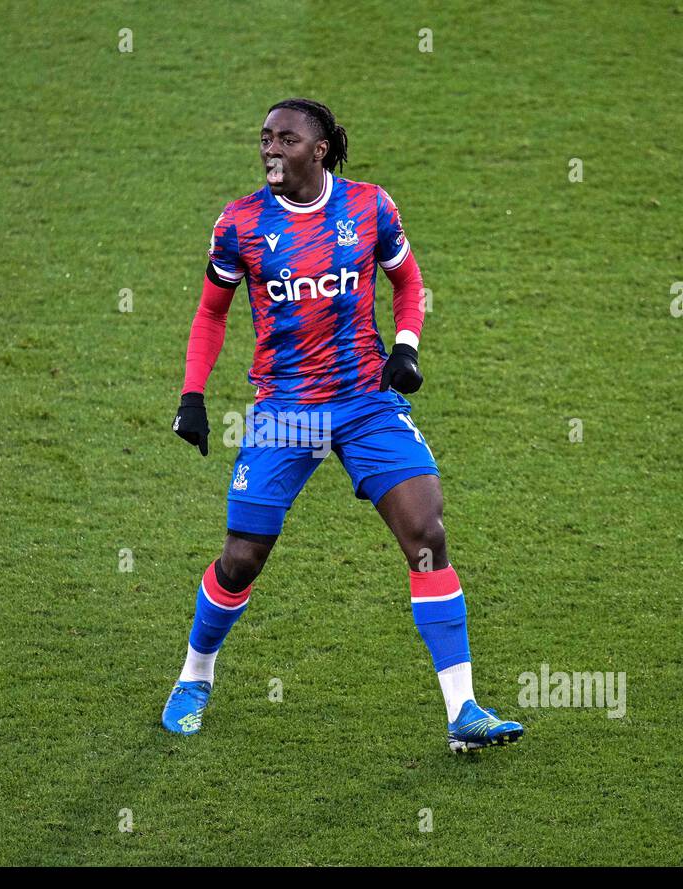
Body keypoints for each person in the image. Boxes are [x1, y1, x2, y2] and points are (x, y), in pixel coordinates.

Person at [165, 98, 523, 752]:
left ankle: (464, 711)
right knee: (242, 559)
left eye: (286, 139)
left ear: (321, 149)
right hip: (287, 407)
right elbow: (212, 313)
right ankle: (194, 676)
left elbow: (407, 281)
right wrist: (193, 395)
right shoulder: (240, 223)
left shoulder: (369, 207)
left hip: (365, 399)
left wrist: (407, 347)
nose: (272, 150)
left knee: (426, 532)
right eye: (265, 139)